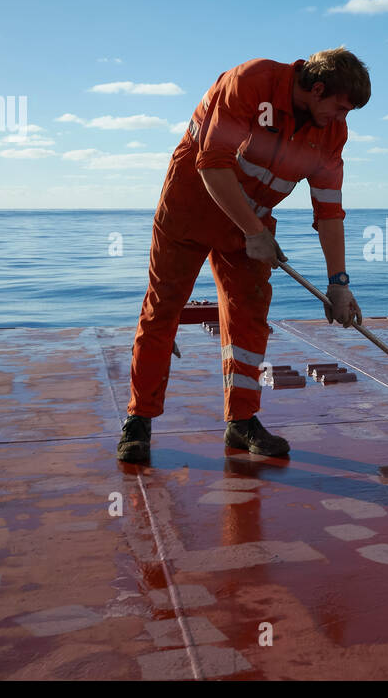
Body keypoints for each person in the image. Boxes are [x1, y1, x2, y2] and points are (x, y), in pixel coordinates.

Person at [116, 48, 368, 462]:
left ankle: (241, 422)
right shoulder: (252, 82)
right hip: (190, 208)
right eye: (340, 108)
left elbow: (329, 210)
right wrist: (255, 233)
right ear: (317, 89)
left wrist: (339, 284)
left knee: (250, 313)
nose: (342, 120)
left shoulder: (332, 133)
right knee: (163, 310)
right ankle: (138, 422)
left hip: (252, 220)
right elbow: (212, 163)